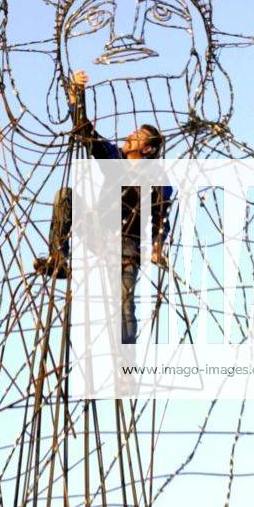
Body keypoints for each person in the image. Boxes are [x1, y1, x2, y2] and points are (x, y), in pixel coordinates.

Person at [35, 70, 172, 344]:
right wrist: (77, 96)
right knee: (65, 197)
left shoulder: (157, 180)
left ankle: (126, 363)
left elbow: (161, 218)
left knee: (123, 305)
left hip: (127, 247)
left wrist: (157, 248)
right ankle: (60, 260)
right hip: (99, 229)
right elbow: (86, 133)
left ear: (147, 150)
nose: (131, 135)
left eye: (139, 135)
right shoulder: (114, 158)